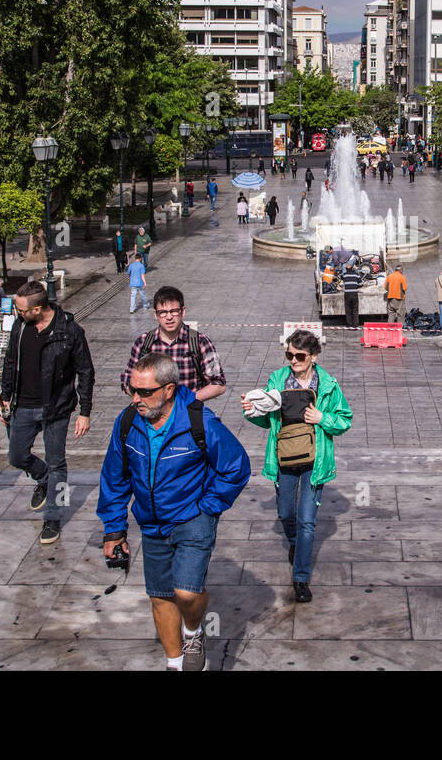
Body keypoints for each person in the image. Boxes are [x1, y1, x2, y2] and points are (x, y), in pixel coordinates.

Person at [99, 352, 250, 671]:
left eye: (145, 392)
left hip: (192, 520)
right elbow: (115, 478)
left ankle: (193, 631)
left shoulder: (199, 421)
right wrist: (114, 530)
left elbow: (236, 467)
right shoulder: (127, 423)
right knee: (160, 596)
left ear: (168, 390)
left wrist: (207, 507)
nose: (136, 398)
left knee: (185, 592)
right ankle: (174, 661)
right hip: (152, 524)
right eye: (132, 389)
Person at [241, 329, 352, 604]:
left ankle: (300, 578)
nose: (293, 360)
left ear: (313, 356)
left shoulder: (328, 384)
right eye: (289, 354)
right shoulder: (278, 380)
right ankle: (293, 542)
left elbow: (344, 420)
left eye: (299, 356)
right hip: (284, 456)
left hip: (315, 460)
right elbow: (267, 420)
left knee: (307, 521)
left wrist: (322, 417)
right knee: (284, 513)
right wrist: (251, 411)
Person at [0, 280, 95, 545]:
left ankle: (54, 516)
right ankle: (42, 479)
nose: (17, 314)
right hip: (23, 406)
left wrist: (84, 411)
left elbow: (85, 371)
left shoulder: (70, 331)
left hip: (56, 408)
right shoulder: (20, 327)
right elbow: (10, 361)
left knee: (58, 464)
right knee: (16, 456)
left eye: (21, 310)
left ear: (38, 309)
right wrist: (5, 396)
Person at [120, 286, 228, 405]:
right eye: (163, 312)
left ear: (183, 311)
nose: (169, 317)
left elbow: (218, 384)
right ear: (155, 314)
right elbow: (127, 380)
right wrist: (147, 399)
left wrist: (187, 401)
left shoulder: (200, 342)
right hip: (151, 417)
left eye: (174, 311)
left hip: (189, 415)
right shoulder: (143, 343)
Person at [339, 260, 361, 328]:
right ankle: (356, 324)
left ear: (346, 269)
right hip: (354, 293)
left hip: (347, 294)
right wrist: (355, 286)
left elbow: (340, 277)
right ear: (352, 268)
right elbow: (360, 284)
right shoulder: (356, 275)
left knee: (348, 309)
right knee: (355, 309)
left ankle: (349, 324)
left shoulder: (345, 275)